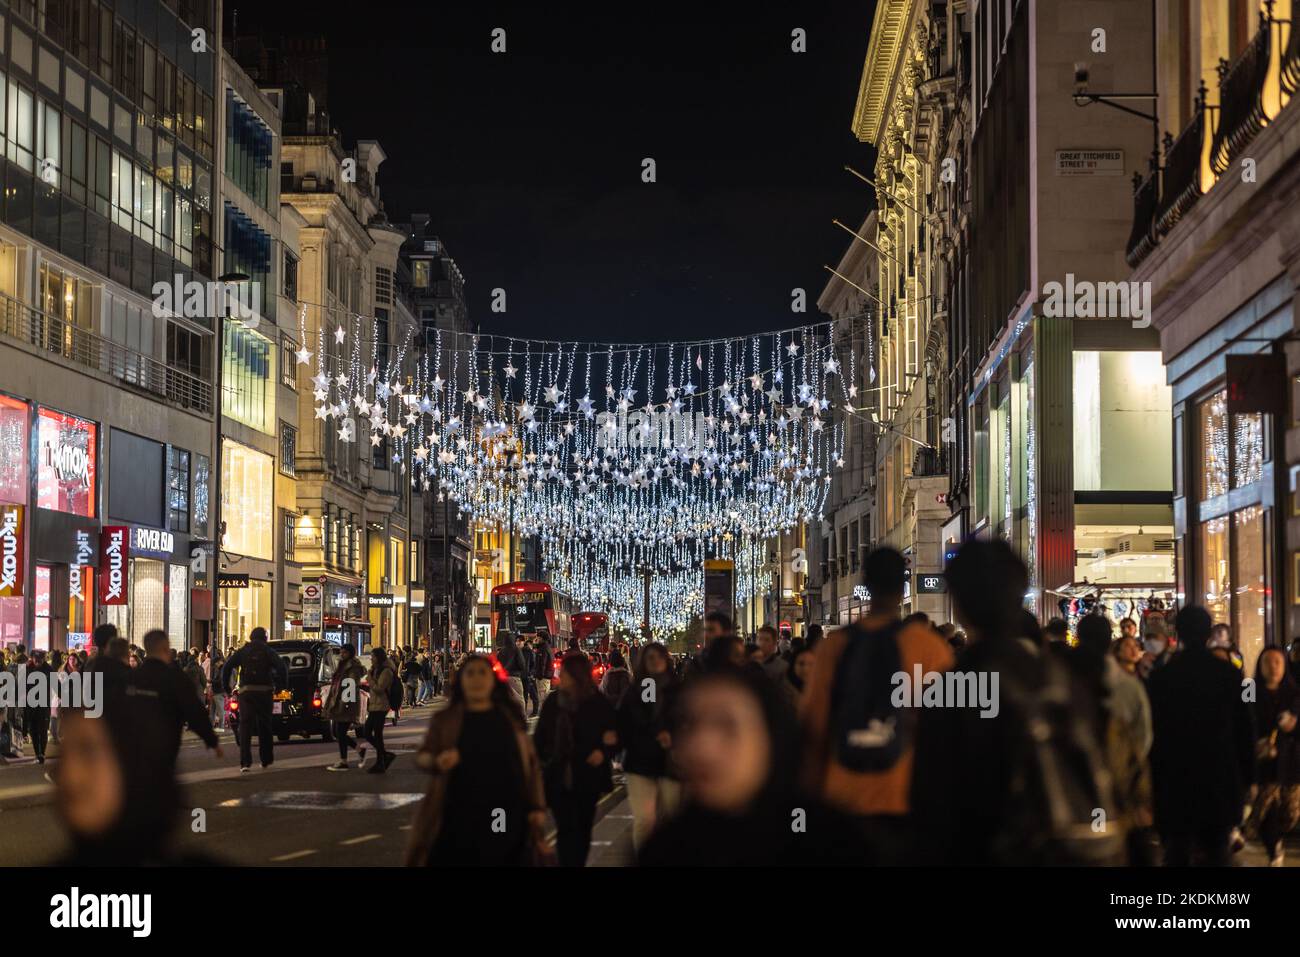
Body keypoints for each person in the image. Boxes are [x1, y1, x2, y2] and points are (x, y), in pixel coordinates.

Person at [910, 540, 1116, 866]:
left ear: (960, 603)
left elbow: (934, 803)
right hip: (1072, 850)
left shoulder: (953, 687)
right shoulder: (1063, 678)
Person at [799, 547, 953, 862]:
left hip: (842, 796)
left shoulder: (834, 647)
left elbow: (812, 724)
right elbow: (945, 733)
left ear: (865, 584)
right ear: (903, 585)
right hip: (905, 796)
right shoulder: (930, 648)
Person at [640, 668, 871, 866]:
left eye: (726, 726)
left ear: (772, 736)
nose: (702, 748)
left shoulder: (831, 844)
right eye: (688, 725)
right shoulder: (667, 849)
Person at [406, 654, 549, 866]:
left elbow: (530, 765)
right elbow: (423, 756)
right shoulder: (445, 719)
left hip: (502, 807)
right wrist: (438, 760)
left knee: (500, 852)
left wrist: (537, 807)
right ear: (461, 680)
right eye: (470, 673)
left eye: (482, 673)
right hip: (459, 807)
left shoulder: (508, 718)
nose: (476, 679)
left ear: (493, 681)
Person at [1147, 606, 1255, 866]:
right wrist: (1249, 777)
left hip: (1175, 779)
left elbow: (1153, 734)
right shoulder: (1229, 674)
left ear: (1177, 632)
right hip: (1219, 777)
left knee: (1177, 850)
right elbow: (1244, 728)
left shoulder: (1162, 676)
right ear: (1208, 633)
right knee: (1218, 851)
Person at [1076, 615, 1155, 864]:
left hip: (1080, 785)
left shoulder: (1062, 678)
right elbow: (1144, 734)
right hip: (1119, 782)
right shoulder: (1129, 685)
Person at [534, 652, 618, 866]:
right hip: (558, 773)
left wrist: (603, 750)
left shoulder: (596, 701)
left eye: (565, 672)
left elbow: (615, 732)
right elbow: (541, 737)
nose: (560, 675)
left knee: (582, 827)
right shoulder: (554, 700)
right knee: (565, 828)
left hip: (586, 774)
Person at [617, 642, 681, 851]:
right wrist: (657, 733)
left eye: (659, 657)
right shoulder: (642, 687)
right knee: (645, 819)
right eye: (650, 658)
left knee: (672, 818)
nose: (655, 662)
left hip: (672, 763)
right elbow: (633, 720)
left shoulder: (677, 687)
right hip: (641, 761)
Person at [128, 630, 222, 771]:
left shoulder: (133, 677)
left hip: (136, 745)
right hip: (165, 744)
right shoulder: (174, 677)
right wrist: (211, 740)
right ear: (165, 648)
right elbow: (194, 710)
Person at [1247, 647, 1300, 866]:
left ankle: (1273, 838)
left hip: (1291, 762)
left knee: (1290, 813)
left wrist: (1294, 726)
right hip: (1262, 762)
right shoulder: (1248, 688)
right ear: (1260, 665)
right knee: (1262, 808)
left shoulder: (1294, 692)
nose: (1273, 667)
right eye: (1268, 662)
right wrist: (1256, 743)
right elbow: (1242, 720)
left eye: (1278, 661)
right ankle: (1273, 846)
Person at [221, 627, 288, 772]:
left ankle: (245, 763)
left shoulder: (243, 651)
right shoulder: (268, 651)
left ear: (251, 637)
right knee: (265, 725)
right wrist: (281, 686)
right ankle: (266, 759)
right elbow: (281, 667)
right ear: (265, 638)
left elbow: (227, 667)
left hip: (246, 692)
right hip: (265, 692)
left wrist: (226, 688)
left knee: (245, 726)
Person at [322, 644, 367, 771]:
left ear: (350, 653)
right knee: (337, 732)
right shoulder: (343, 665)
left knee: (340, 732)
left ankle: (344, 761)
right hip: (340, 701)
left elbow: (351, 686)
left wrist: (346, 705)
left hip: (346, 702)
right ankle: (359, 750)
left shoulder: (352, 667)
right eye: (341, 652)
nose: (342, 654)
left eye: (344, 652)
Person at [362, 646, 398, 773]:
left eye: (373, 657)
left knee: (376, 734)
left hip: (381, 706)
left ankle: (380, 761)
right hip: (374, 705)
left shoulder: (386, 671)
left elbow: (379, 688)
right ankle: (384, 756)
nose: (371, 659)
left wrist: (369, 679)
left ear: (378, 658)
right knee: (368, 732)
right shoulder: (376, 670)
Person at [25, 649, 53, 764]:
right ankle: (37, 753)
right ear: (32, 658)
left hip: (44, 705)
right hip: (30, 705)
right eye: (35, 659)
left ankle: (42, 753)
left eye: (40, 659)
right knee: (33, 730)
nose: (37, 661)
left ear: (44, 659)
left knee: (43, 730)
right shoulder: (27, 669)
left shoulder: (49, 670)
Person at [496, 631, 527, 706]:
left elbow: (497, 665)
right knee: (519, 699)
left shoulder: (501, 651)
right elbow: (522, 664)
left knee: (505, 700)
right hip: (514, 677)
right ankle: (521, 716)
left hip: (503, 678)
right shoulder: (516, 650)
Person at [781, 646, 815, 711]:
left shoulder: (822, 692)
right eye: (801, 664)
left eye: (811, 664)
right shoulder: (782, 693)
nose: (806, 669)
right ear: (793, 665)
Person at [533, 638, 554, 703]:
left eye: (538, 637)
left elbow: (542, 663)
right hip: (546, 676)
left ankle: (545, 712)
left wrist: (540, 676)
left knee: (543, 698)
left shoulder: (543, 649)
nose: (536, 639)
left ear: (542, 638)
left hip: (543, 677)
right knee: (544, 697)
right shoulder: (547, 648)